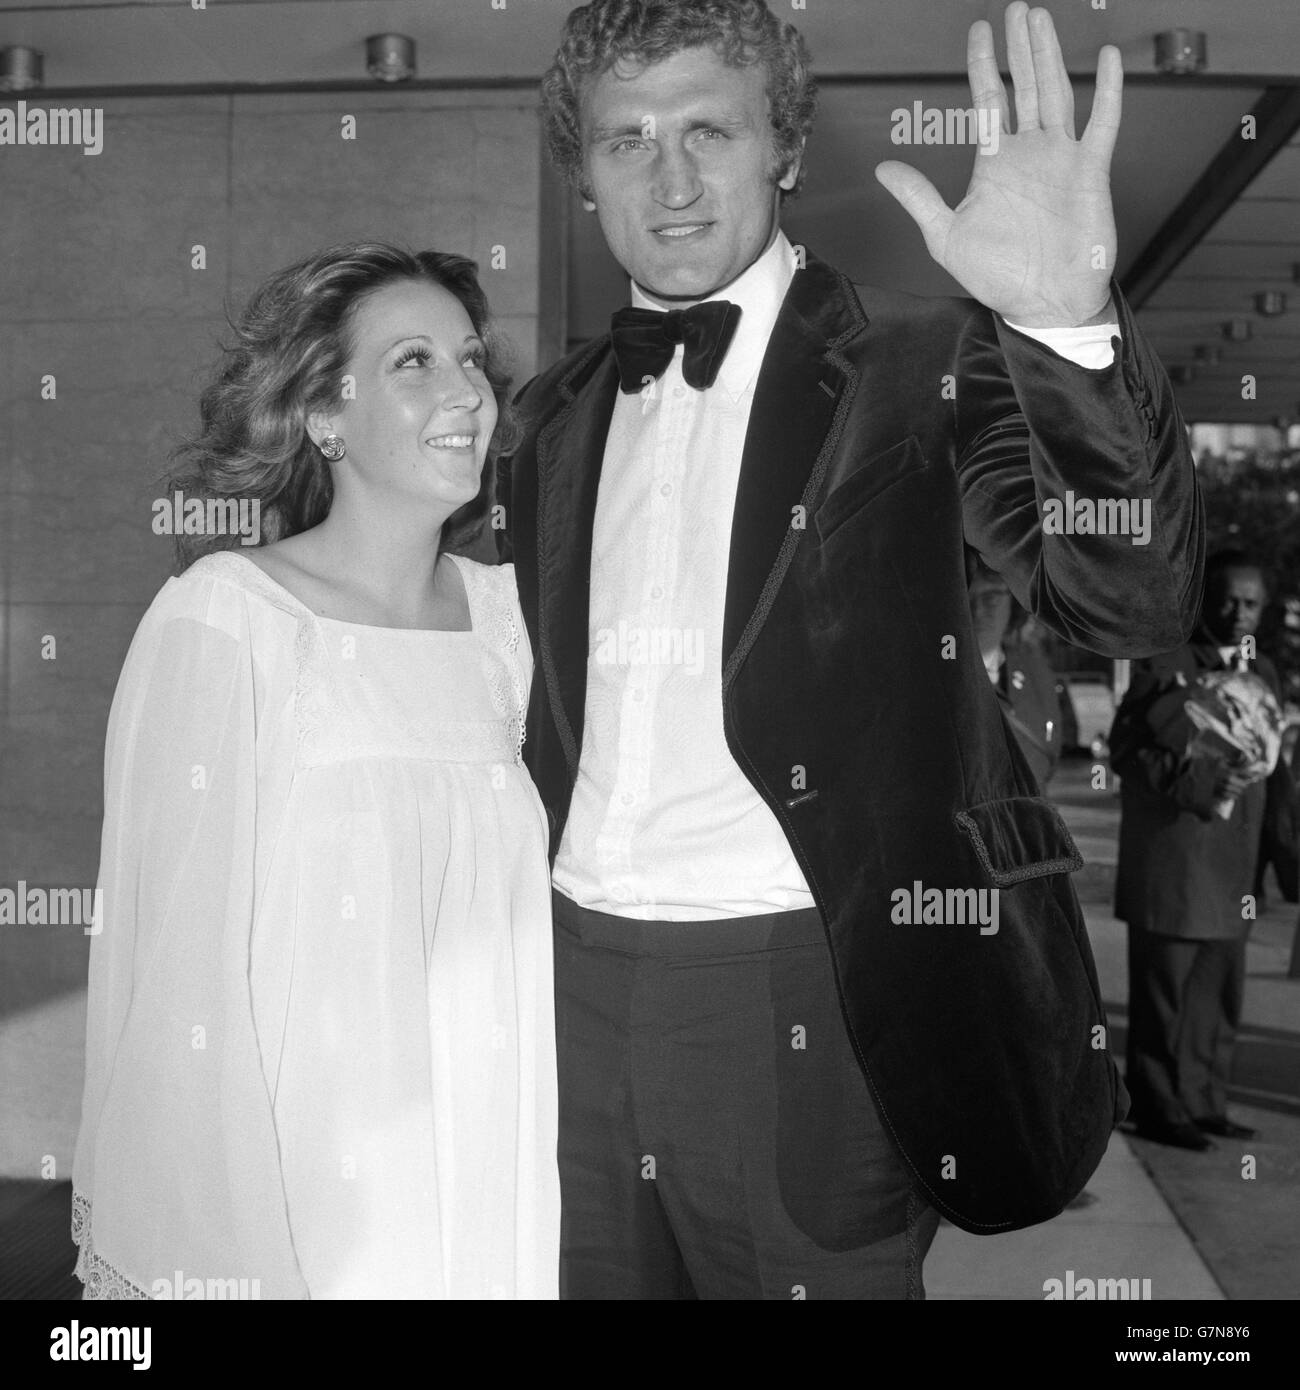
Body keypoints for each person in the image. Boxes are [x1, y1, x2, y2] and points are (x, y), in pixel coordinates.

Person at [499, 0, 1201, 1298]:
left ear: (785, 146)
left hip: (806, 992)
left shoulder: (918, 357)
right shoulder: (555, 413)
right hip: (567, 990)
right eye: (624, 138)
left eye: (708, 128)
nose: (668, 176)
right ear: (581, 169)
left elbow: (1131, 606)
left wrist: (1064, 328)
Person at [72, 244, 560, 1299]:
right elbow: (177, 980)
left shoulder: (508, 626)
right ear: (324, 417)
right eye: (413, 361)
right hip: (308, 1191)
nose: (465, 390)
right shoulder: (229, 616)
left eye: (471, 359)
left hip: (488, 1162)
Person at [1111, 550, 1282, 1150]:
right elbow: (1126, 753)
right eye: (1230, 599)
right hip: (1173, 859)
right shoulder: (1165, 661)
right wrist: (1201, 782)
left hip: (1233, 864)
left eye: (1252, 603)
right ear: (1205, 598)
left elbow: (1275, 773)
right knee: (1167, 995)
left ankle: (1205, 1099)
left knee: (1218, 993)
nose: (1239, 613)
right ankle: (1158, 1106)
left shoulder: (1265, 674)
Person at [967, 554, 1064, 788]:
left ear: (1013, 603)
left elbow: (1049, 749)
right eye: (967, 600)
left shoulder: (1035, 671)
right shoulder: (937, 676)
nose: (978, 611)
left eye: (990, 598)